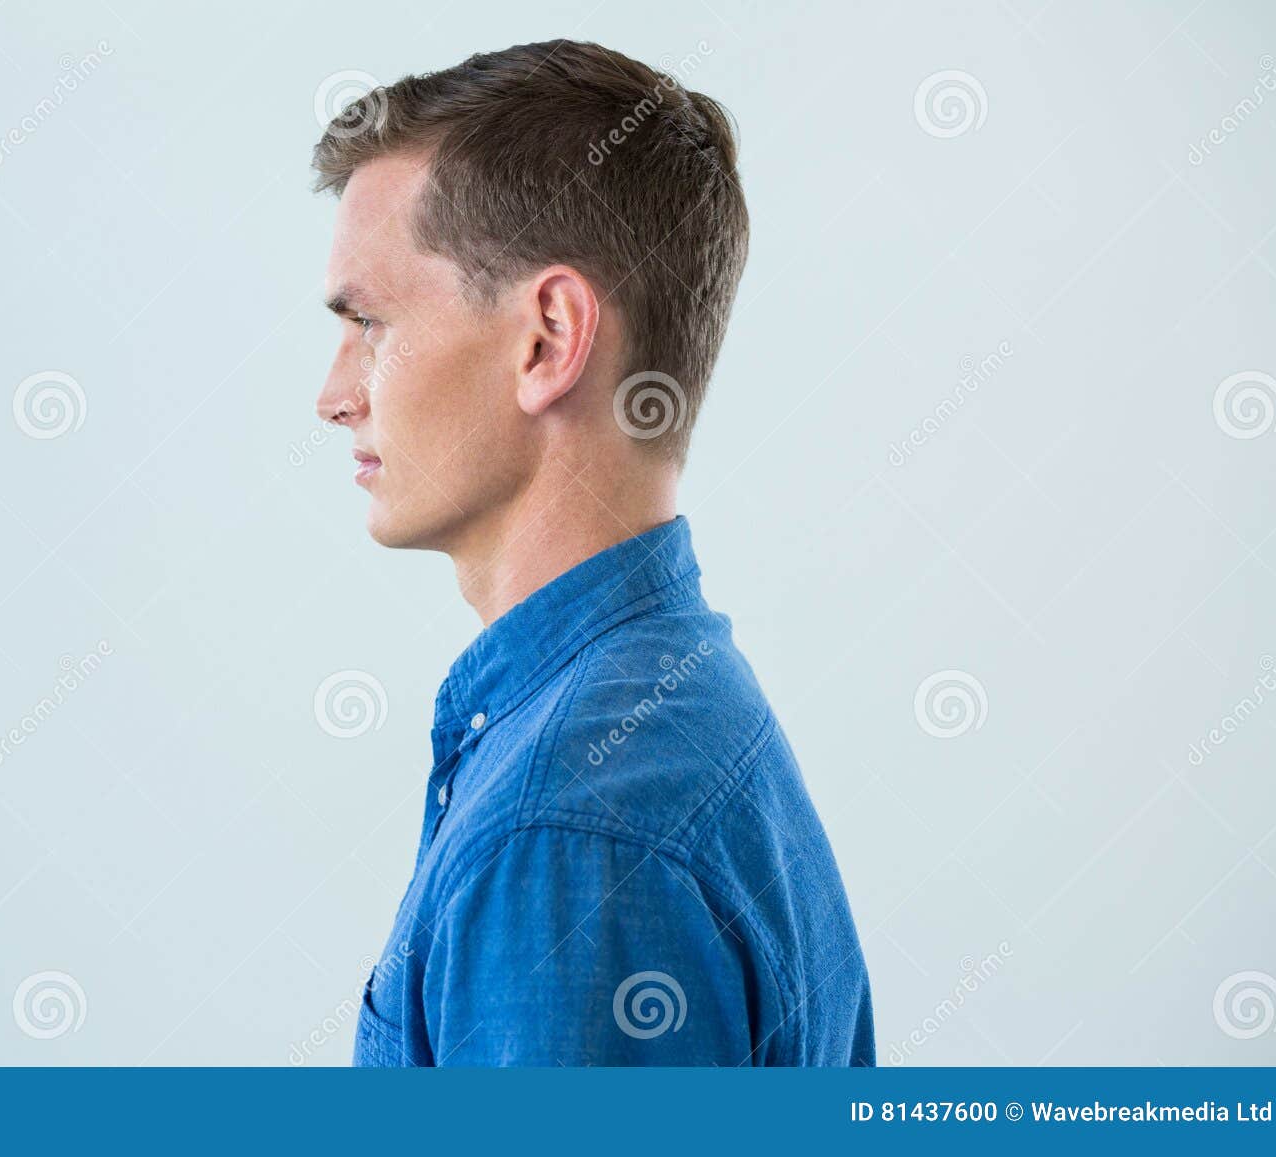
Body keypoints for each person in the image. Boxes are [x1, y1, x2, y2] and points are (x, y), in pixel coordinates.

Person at [312, 39, 873, 1066]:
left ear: (547, 338)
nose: (334, 394)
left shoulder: (561, 834)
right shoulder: (674, 697)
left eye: (371, 326)